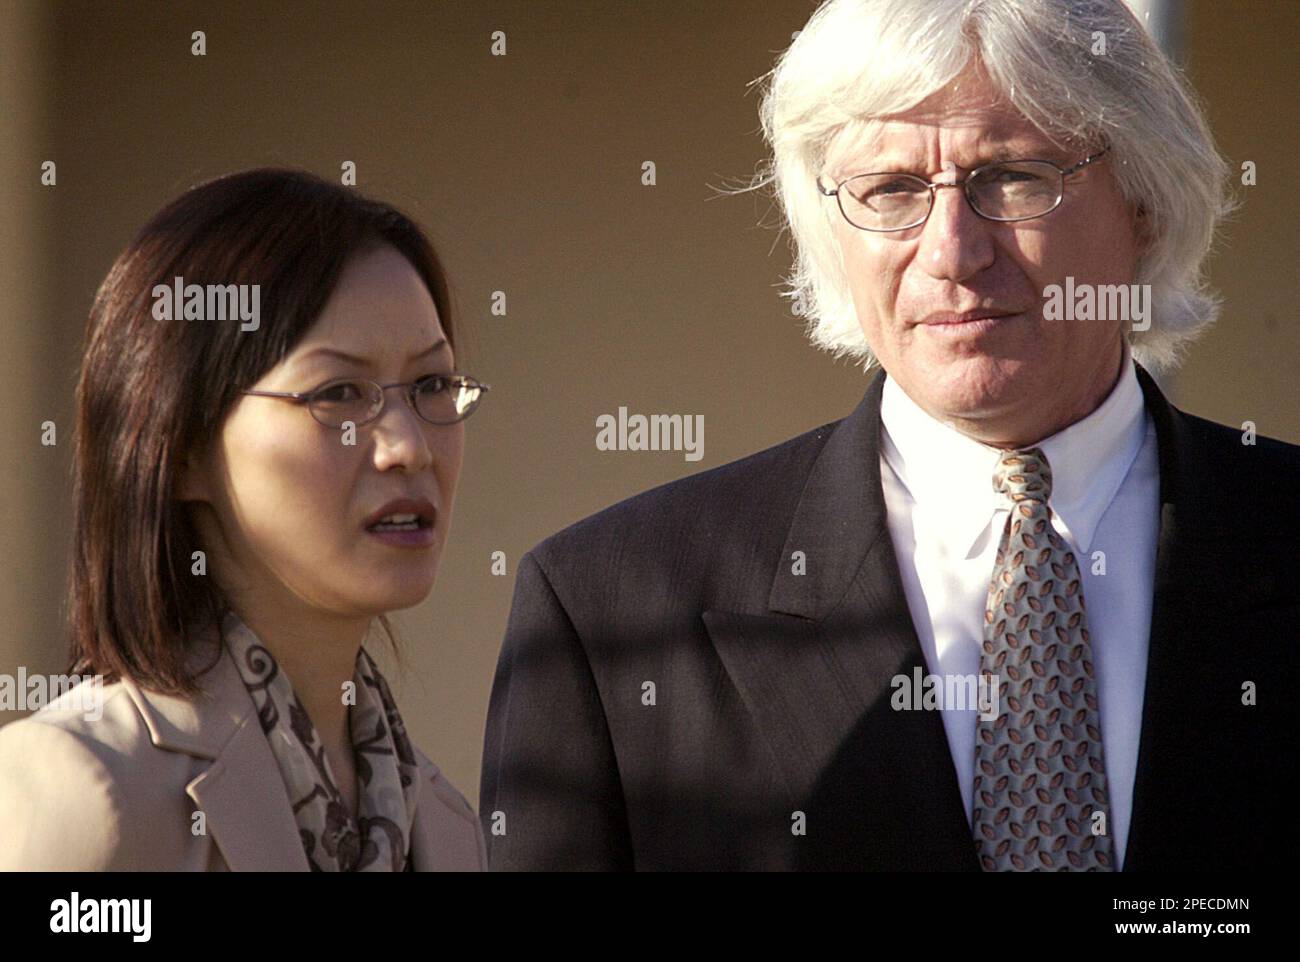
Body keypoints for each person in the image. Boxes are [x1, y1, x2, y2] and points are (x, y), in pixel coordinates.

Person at [480, 0, 1298, 870]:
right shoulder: (615, 610)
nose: (951, 250)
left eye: (1014, 177)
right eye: (892, 191)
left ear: (1143, 202)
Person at [0, 169, 491, 871]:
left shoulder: (447, 831)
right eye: (340, 392)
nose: (408, 446)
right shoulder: (82, 798)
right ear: (182, 448)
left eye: (432, 384)